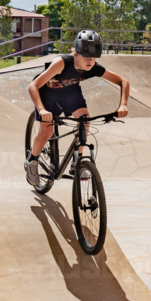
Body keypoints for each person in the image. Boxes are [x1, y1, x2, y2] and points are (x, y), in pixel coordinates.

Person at [25, 30, 129, 188]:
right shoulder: (61, 63)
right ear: (77, 54)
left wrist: (123, 104)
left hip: (69, 92)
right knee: (47, 132)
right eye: (87, 57)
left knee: (84, 119)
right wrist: (41, 110)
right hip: (47, 93)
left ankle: (77, 163)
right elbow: (33, 86)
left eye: (94, 58)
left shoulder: (94, 68)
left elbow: (123, 81)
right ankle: (32, 161)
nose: (90, 61)